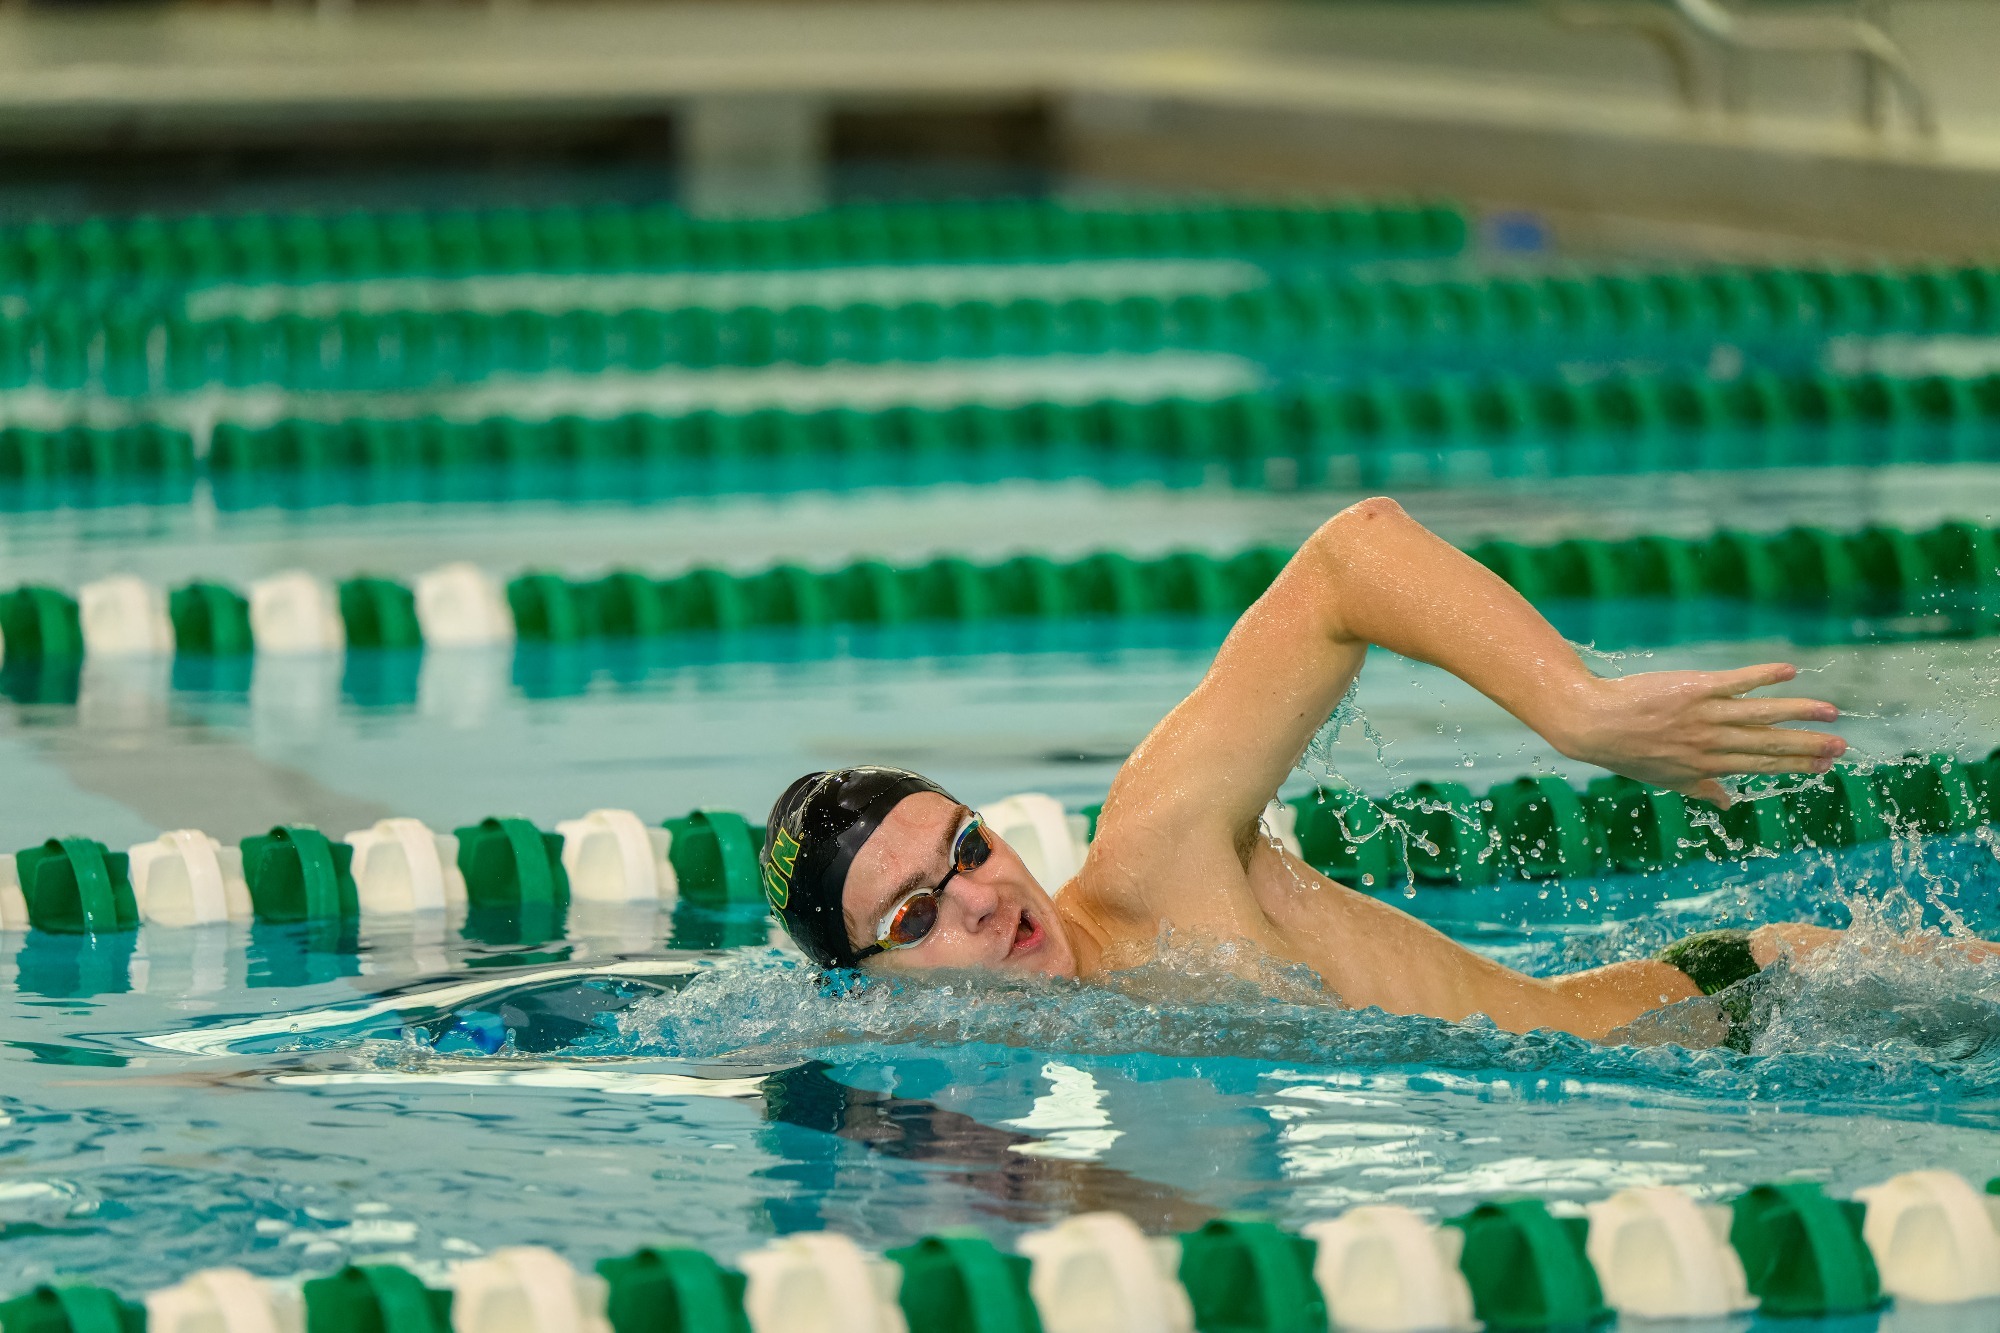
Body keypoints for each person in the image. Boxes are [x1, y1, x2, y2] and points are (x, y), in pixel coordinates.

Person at [758, 498, 1865, 1043]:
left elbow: (1349, 559)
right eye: (914, 917)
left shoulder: (1157, 855)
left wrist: (1577, 710)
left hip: (1753, 1002)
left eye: (966, 848)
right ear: (862, 991)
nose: (983, 899)